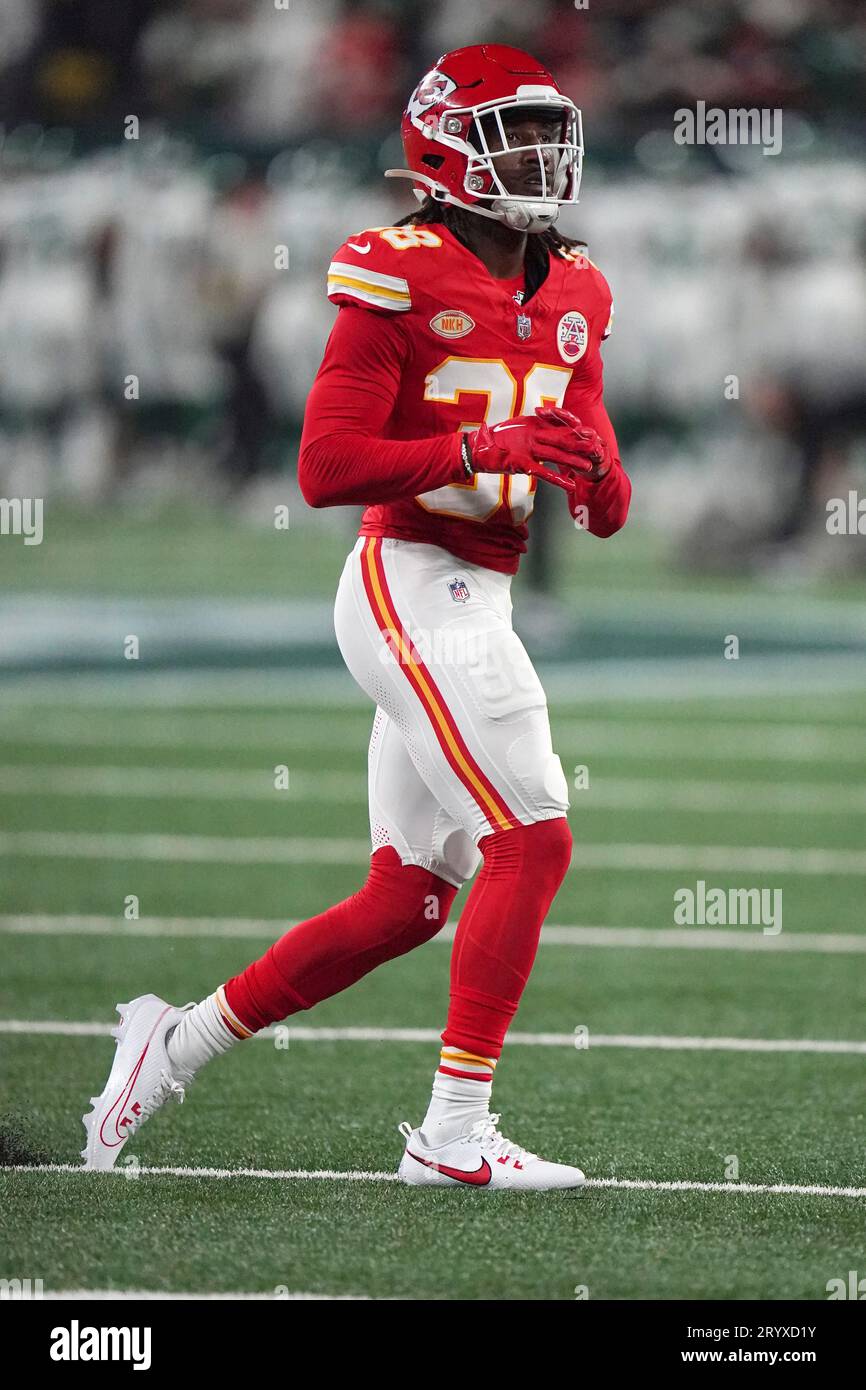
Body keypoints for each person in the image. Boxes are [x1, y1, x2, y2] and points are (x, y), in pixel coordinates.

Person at [82, 43, 631, 1191]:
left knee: (406, 901)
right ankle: (451, 1131)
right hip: (409, 573)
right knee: (532, 836)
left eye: (548, 135)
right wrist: (486, 445)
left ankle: (166, 1044)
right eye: (513, 136)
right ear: (445, 150)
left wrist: (596, 478)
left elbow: (599, 476)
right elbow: (326, 465)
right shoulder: (399, 269)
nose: (541, 157)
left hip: (482, 583)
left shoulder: (576, 285)